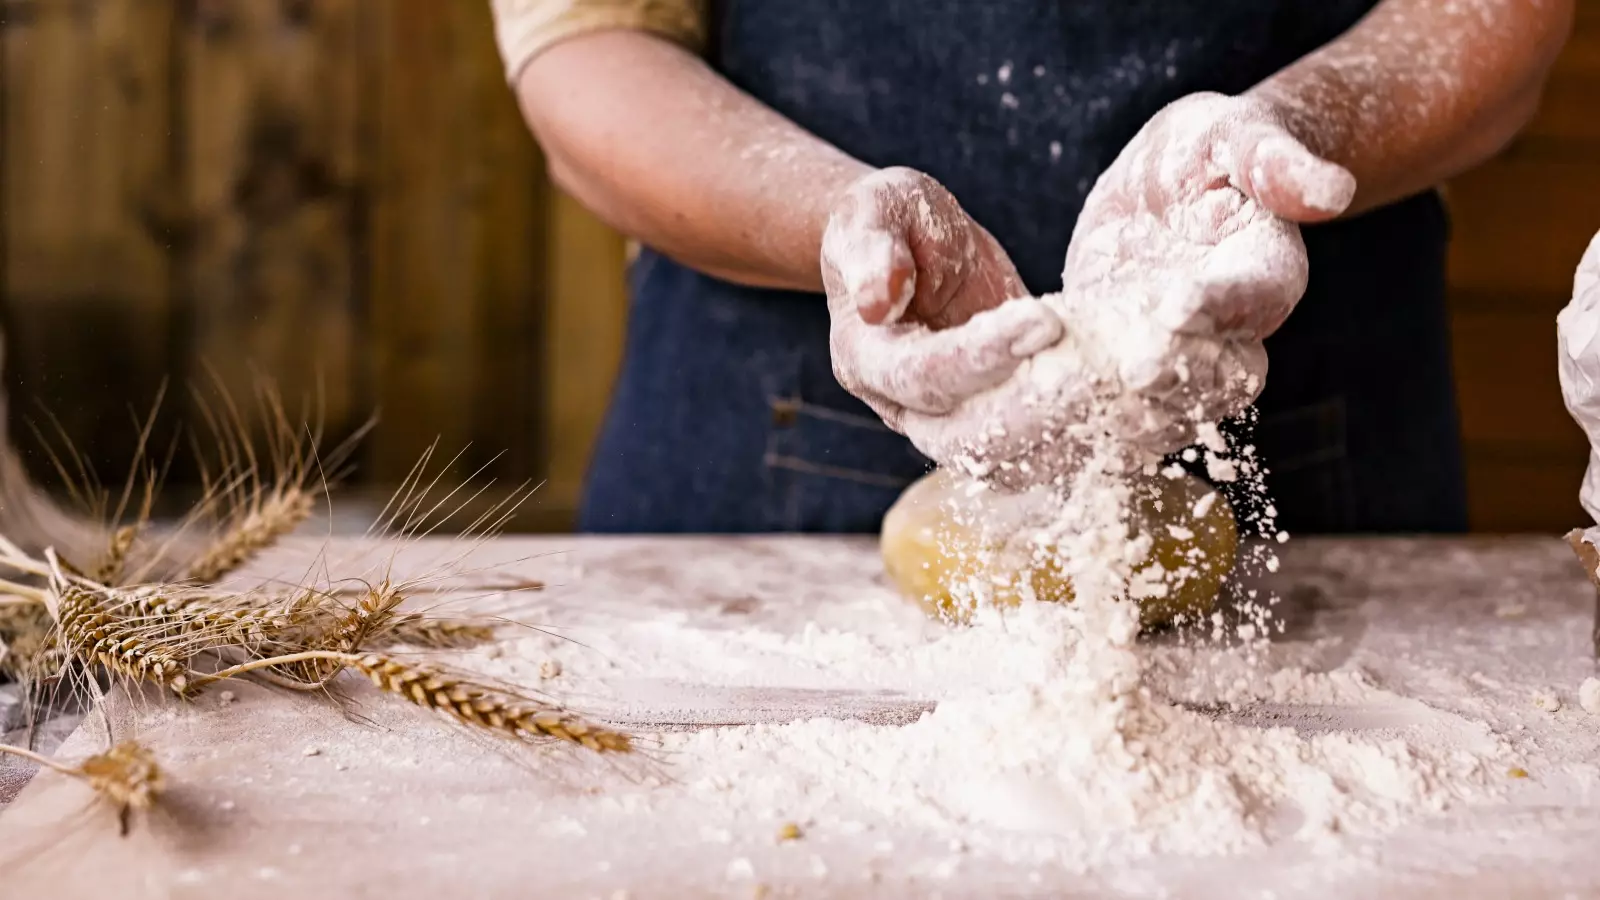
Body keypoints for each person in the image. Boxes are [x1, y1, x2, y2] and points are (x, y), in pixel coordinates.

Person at [491, 0, 1573, 534]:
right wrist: (833, 220)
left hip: (1310, 441)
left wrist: (1292, 127)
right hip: (761, 451)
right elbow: (587, 45)